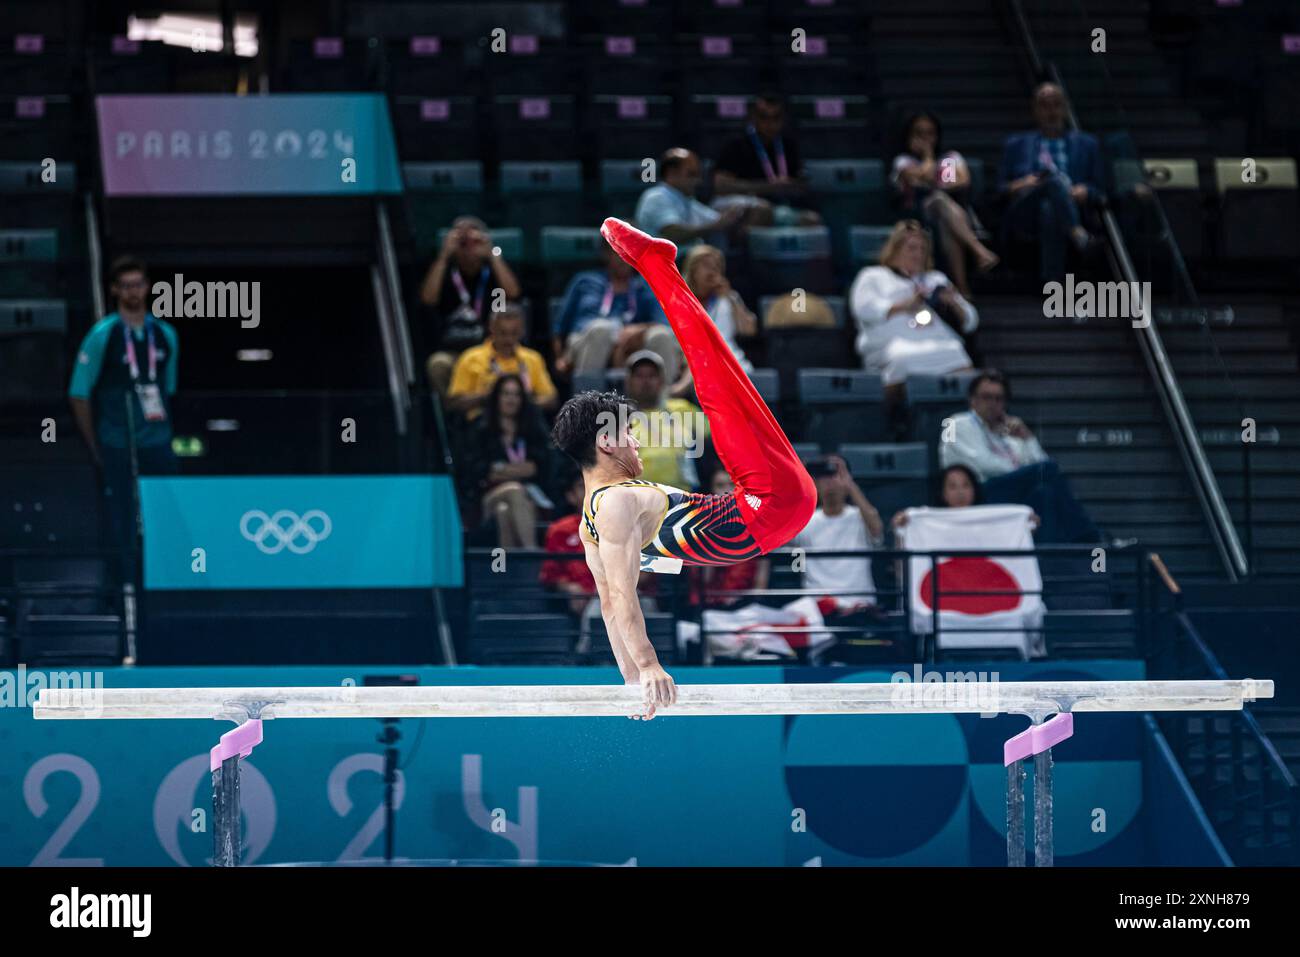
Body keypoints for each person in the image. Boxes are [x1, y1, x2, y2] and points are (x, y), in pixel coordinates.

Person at [550, 218, 818, 718]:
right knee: (712, 374)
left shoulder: (595, 517)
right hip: (767, 503)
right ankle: (655, 262)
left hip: (767, 508)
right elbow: (621, 600)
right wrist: (646, 670)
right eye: (629, 433)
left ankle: (659, 263)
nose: (637, 442)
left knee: (716, 374)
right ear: (605, 442)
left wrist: (633, 679)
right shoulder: (616, 504)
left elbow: (611, 603)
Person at [68, 256, 180, 577]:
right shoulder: (103, 335)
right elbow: (79, 394)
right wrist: (96, 445)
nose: (133, 292)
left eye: (139, 284)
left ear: (147, 287)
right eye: (126, 286)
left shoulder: (166, 335)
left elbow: (167, 389)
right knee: (121, 517)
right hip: (117, 441)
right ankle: (123, 583)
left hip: (157, 442)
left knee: (164, 513)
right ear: (115, 290)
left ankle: (165, 577)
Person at [939, 370, 1098, 543]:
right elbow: (983, 463)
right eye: (986, 397)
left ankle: (1048, 559)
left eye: (998, 398)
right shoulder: (956, 424)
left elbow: (1040, 462)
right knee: (1047, 471)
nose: (992, 404)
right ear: (973, 400)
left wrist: (1027, 437)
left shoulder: (1008, 433)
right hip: (978, 491)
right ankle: (1092, 537)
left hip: (1008, 492)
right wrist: (1025, 473)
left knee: (1045, 493)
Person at [848, 220, 977, 405]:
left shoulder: (936, 278)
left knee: (959, 354)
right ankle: (893, 418)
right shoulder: (872, 276)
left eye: (923, 250)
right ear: (895, 250)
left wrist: (954, 304)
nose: (918, 255)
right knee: (903, 358)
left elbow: (971, 320)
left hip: (937, 341)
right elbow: (864, 309)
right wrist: (905, 305)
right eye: (912, 248)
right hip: (892, 344)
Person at [999, 82, 1105, 283]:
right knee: (1053, 182)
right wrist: (1020, 184)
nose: (1051, 112)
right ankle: (1079, 236)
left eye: (1056, 105)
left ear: (1065, 108)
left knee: (1050, 207)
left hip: (1070, 206)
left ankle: (1051, 283)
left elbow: (1100, 187)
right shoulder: (1016, 144)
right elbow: (1000, 189)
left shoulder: (1087, 144)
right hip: (1025, 210)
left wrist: (1086, 190)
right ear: (1035, 110)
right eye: (1045, 105)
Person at [891, 110, 998, 297]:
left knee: (944, 217)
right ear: (909, 136)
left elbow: (958, 181)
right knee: (939, 200)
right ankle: (978, 251)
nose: (925, 139)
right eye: (919, 133)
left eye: (930, 133)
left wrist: (931, 173)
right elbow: (921, 176)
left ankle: (962, 288)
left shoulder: (949, 157)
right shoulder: (903, 161)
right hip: (917, 215)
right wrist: (928, 155)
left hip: (953, 214)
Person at [551, 237, 683, 385]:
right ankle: (589, 405)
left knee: (661, 335)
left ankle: (663, 403)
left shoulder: (645, 286)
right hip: (587, 341)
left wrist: (636, 330)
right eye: (618, 251)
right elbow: (559, 328)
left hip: (632, 343)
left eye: (630, 251)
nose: (624, 257)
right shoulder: (585, 281)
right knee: (601, 330)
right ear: (606, 254)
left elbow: (663, 324)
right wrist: (559, 358)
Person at [419, 216, 522, 396]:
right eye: (462, 242)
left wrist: (492, 254)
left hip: (491, 350)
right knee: (437, 364)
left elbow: (513, 293)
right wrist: (444, 255)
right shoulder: (444, 270)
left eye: (475, 242)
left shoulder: (494, 270)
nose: (469, 248)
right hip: (454, 352)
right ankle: (456, 415)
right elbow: (428, 299)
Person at [458, 374, 552, 549]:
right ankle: (532, 554)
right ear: (497, 398)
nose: (511, 400)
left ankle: (507, 571)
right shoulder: (481, 428)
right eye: (506, 394)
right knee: (514, 490)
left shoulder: (533, 428)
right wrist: (520, 469)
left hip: (529, 496)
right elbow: (481, 470)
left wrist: (502, 469)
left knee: (504, 511)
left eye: (516, 395)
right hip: (487, 497)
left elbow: (537, 468)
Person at [711, 93, 821, 228]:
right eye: (764, 117)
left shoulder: (788, 145)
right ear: (753, 117)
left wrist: (792, 185)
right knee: (762, 210)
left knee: (811, 219)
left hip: (778, 205)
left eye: (776, 118)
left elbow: (800, 183)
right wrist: (769, 187)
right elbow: (721, 186)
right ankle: (742, 249)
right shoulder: (736, 144)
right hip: (741, 202)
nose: (770, 123)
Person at [791, 456, 884, 614]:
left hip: (860, 605)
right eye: (822, 478)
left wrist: (849, 483)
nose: (829, 482)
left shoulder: (861, 517)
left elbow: (876, 528)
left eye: (835, 476)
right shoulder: (805, 521)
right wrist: (801, 481)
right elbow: (776, 535)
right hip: (818, 607)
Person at [447, 305, 557, 418]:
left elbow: (551, 399)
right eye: (503, 333)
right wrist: (489, 397)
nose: (508, 340)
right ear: (491, 328)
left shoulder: (533, 359)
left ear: (522, 331)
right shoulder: (470, 358)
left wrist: (520, 403)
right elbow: (454, 402)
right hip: (483, 422)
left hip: (524, 422)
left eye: (514, 333)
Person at [674, 245, 756, 397]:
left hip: (728, 358)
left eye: (717, 267)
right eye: (706, 266)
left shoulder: (728, 298)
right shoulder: (680, 298)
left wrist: (731, 298)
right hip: (687, 358)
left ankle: (679, 390)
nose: (713, 271)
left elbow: (748, 330)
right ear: (693, 270)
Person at [620, 349, 709, 489]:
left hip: (683, 496)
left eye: (652, 375)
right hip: (635, 497)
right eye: (639, 375)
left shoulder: (682, 408)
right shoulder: (618, 417)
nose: (645, 381)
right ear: (628, 382)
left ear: (662, 381)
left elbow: (716, 437)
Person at [633, 148, 748, 254]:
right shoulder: (656, 196)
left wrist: (733, 216)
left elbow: (717, 220)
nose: (697, 181)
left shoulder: (685, 199)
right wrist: (715, 226)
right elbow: (673, 233)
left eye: (698, 175)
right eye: (691, 174)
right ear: (672, 173)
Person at [690, 468, 771, 608]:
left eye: (731, 485)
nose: (726, 491)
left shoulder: (758, 530)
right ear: (711, 491)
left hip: (745, 609)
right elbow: (703, 580)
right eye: (720, 486)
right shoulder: (698, 529)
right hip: (707, 609)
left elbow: (760, 586)